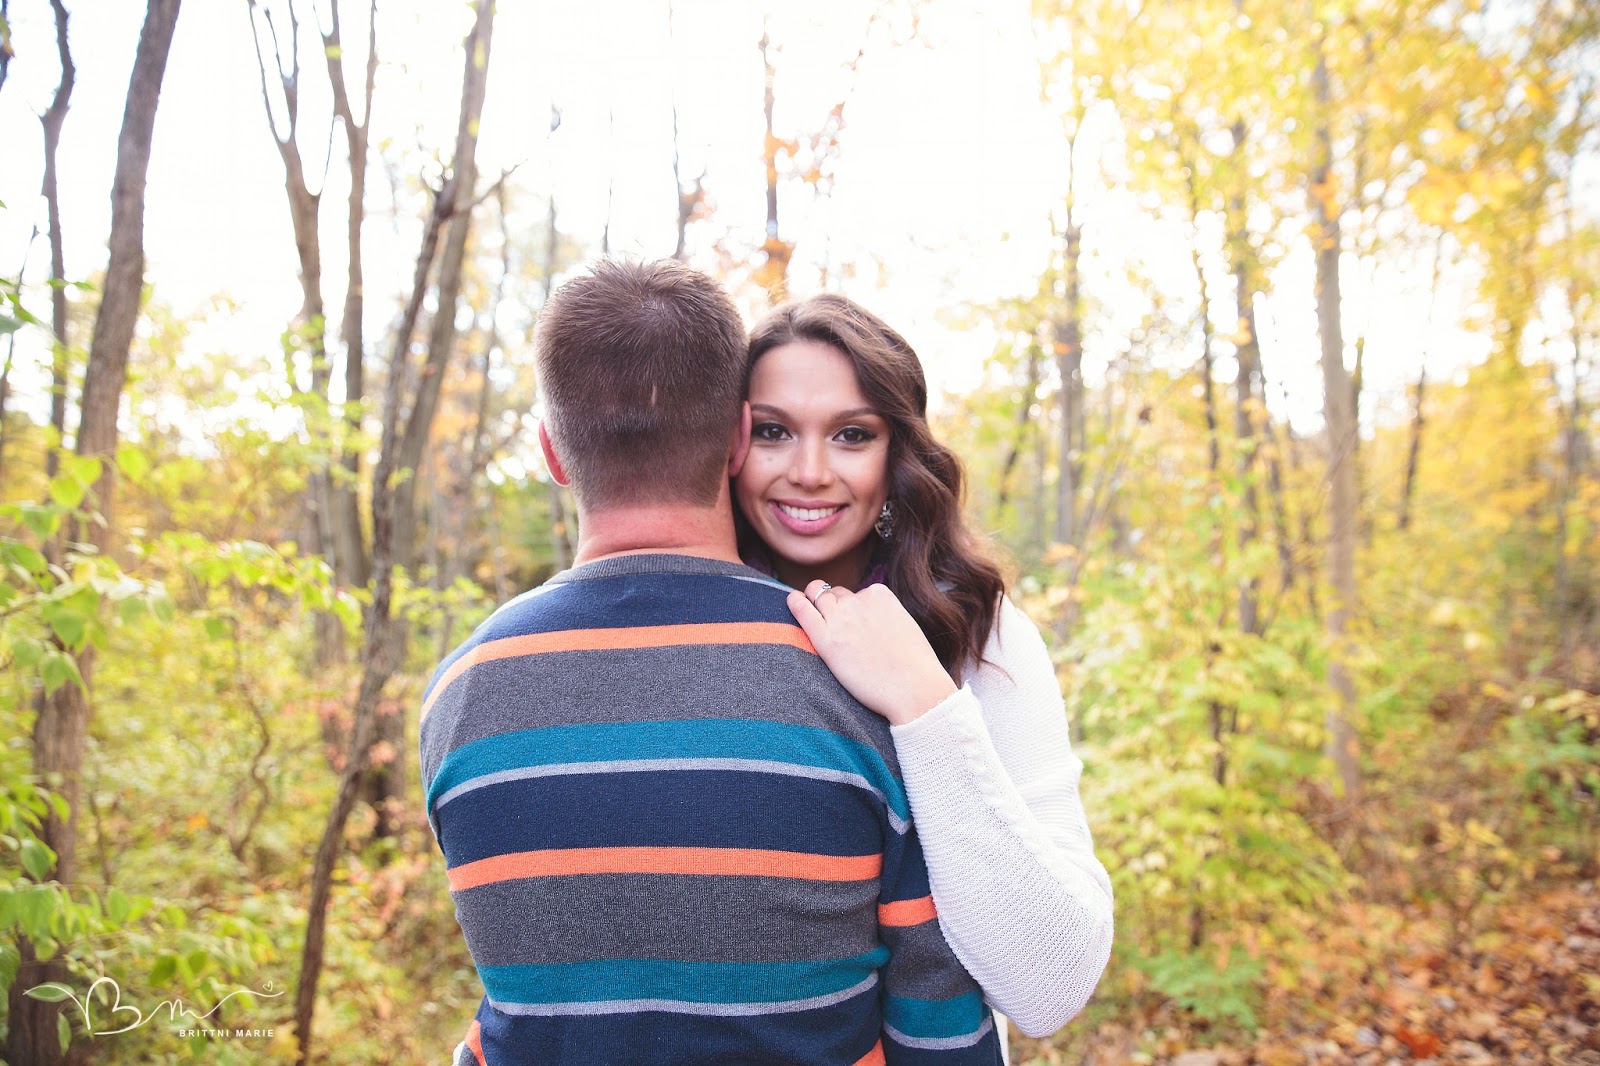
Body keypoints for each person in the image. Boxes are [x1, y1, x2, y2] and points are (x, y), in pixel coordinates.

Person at [419, 260, 1004, 1065]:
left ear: (553, 452)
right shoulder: (856, 675)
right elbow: (935, 1013)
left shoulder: (460, 694)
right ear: (737, 440)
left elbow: (527, 994)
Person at [731, 294, 1115, 1041]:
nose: (809, 472)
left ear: (895, 456)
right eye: (774, 432)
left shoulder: (982, 636)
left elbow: (1052, 986)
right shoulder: (695, 629)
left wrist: (924, 702)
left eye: (851, 435)